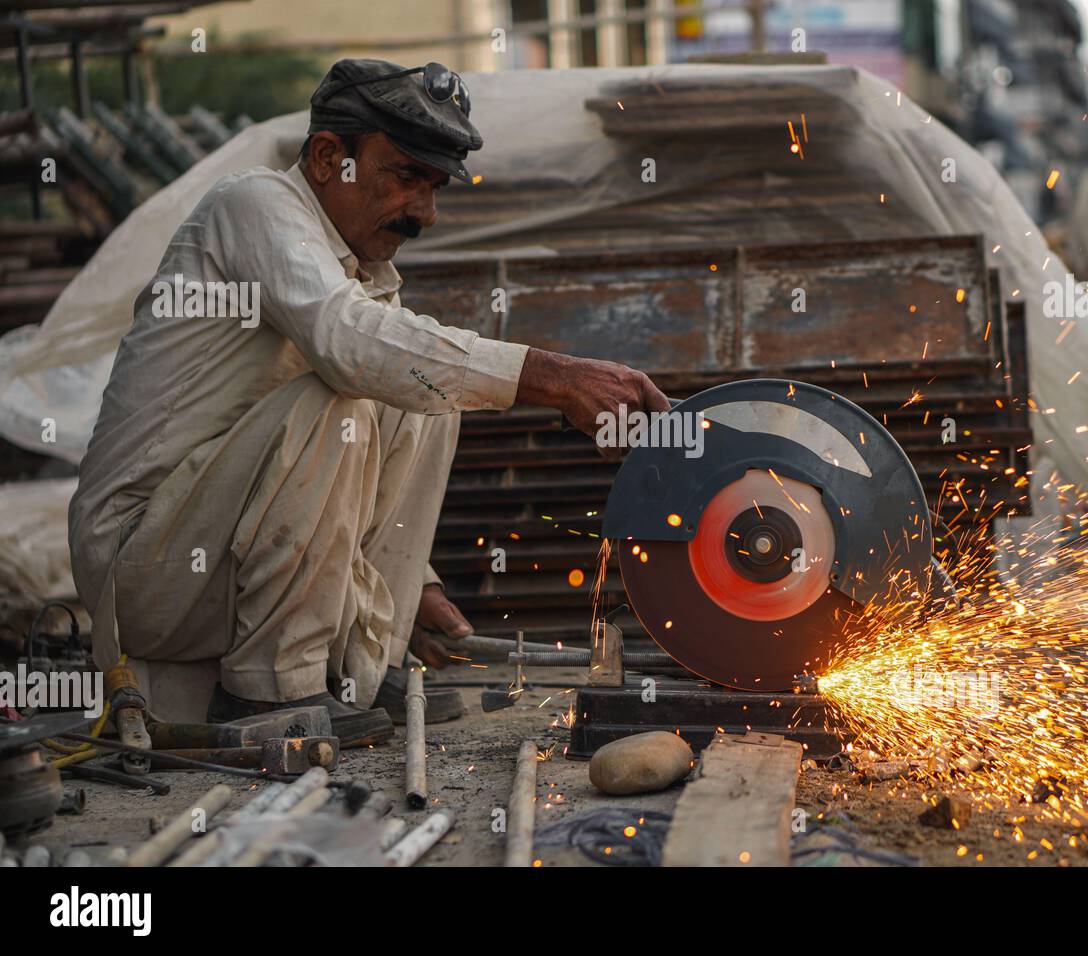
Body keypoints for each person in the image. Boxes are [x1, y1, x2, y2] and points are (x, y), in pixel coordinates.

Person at [68, 59, 669, 745]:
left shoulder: (361, 269)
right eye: (406, 177)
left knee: (422, 392)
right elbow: (346, 343)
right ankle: (268, 691)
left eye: (435, 186)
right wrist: (551, 377)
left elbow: (396, 372)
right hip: (142, 568)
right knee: (345, 397)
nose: (426, 212)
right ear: (329, 157)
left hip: (205, 553)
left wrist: (410, 589)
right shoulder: (253, 206)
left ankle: (366, 659)